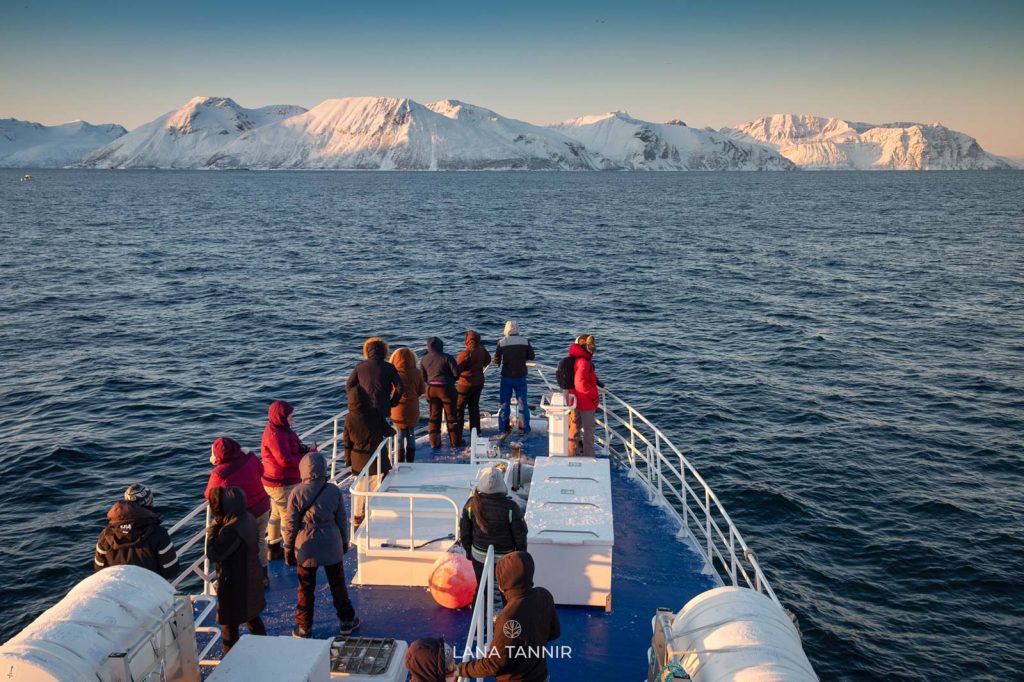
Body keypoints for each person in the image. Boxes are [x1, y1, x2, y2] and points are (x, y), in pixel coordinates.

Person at [283, 452, 359, 638]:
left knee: (305, 588)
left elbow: (290, 525)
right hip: (331, 542)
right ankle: (347, 621)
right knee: (337, 584)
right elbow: (342, 519)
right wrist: (344, 541)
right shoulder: (333, 491)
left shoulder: (297, 493)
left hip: (306, 546)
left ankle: (304, 627)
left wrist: (288, 548)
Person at [455, 551, 560, 682]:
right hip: (541, 676)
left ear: (501, 584)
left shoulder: (507, 618)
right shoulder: (544, 595)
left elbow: (494, 664)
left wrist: (460, 670)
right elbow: (554, 632)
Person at [205, 486, 267, 654]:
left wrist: (213, 529)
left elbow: (214, 553)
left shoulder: (231, 530)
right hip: (252, 576)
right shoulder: (249, 518)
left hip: (236, 583)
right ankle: (265, 649)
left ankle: (230, 665)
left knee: (229, 627)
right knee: (252, 617)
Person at [205, 437, 272, 586]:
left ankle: (241, 581)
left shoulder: (219, 474)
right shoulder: (250, 457)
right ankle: (263, 577)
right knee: (260, 542)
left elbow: (209, 495)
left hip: (243, 518)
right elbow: (261, 470)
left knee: (240, 550)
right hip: (263, 507)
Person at [459, 466, 528, 589]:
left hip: (479, 554)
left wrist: (469, 552)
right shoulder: (511, 507)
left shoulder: (471, 504)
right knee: (506, 588)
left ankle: (481, 605)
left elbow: (465, 532)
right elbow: (520, 535)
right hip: (505, 557)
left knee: (481, 587)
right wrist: (520, 556)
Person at [261, 400, 313, 561]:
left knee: (276, 514)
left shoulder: (278, 429)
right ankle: (291, 553)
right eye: (291, 417)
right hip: (281, 483)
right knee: (288, 517)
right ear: (282, 417)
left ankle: (273, 547)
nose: (293, 420)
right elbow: (285, 459)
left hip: (274, 482)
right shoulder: (276, 435)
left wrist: (303, 449)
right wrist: (305, 457)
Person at [94, 484, 179, 579]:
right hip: (149, 588)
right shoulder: (158, 533)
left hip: (118, 589)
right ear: (149, 503)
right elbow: (171, 570)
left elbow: (99, 570)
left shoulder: (106, 535)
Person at [344, 385, 395, 527]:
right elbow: (386, 430)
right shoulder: (375, 412)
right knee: (374, 485)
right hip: (376, 457)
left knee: (359, 489)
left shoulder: (349, 418)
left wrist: (348, 461)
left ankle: (356, 516)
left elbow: (347, 441)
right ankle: (370, 512)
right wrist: (393, 432)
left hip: (358, 460)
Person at [346, 336, 404, 422]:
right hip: (383, 407)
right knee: (383, 433)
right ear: (384, 351)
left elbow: (349, 385)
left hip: (364, 407)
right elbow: (400, 387)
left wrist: (356, 400)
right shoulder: (389, 367)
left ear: (367, 351)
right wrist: (392, 402)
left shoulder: (360, 367)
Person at [493, 320, 535, 435]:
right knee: (522, 403)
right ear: (517, 329)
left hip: (506, 377)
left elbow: (496, 360)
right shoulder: (525, 341)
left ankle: (503, 429)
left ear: (506, 329)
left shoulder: (501, 342)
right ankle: (524, 429)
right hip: (520, 377)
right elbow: (531, 356)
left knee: (504, 404)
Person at [419, 337, 461, 448]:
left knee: (434, 417)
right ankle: (455, 443)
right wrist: (450, 380)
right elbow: (457, 374)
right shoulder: (447, 358)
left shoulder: (423, 359)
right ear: (441, 346)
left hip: (431, 389)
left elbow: (423, 377)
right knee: (451, 417)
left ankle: (434, 444)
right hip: (446, 389)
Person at [390, 346, 425, 463]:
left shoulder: (394, 374)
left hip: (397, 408)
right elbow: (422, 390)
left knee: (399, 436)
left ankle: (400, 460)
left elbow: (389, 390)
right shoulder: (417, 373)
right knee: (411, 435)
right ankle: (411, 460)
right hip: (413, 408)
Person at [455, 330, 492, 442]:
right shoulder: (482, 350)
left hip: (465, 385)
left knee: (459, 410)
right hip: (478, 383)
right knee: (474, 408)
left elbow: (456, 370)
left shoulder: (465, 354)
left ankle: (458, 435)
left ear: (467, 340)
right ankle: (475, 433)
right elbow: (488, 360)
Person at [567, 335, 601, 456]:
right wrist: (594, 395)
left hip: (575, 400)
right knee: (588, 431)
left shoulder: (576, 359)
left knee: (574, 429)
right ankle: (589, 457)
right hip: (585, 402)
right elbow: (580, 383)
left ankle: (571, 454)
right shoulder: (583, 362)